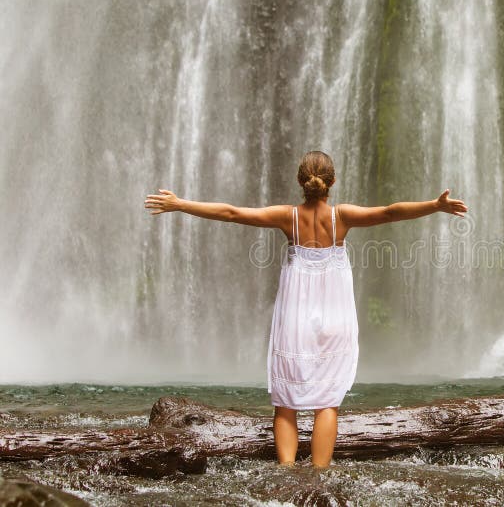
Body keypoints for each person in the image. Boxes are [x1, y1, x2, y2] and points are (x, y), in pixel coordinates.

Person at [144, 150, 468, 468]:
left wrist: (179, 204)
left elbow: (232, 213)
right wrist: (435, 206)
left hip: (296, 317)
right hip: (335, 317)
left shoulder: (289, 217)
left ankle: (287, 473)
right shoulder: (342, 217)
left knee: (286, 401)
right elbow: (390, 212)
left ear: (301, 181)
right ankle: (319, 476)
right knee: (326, 401)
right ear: (332, 181)